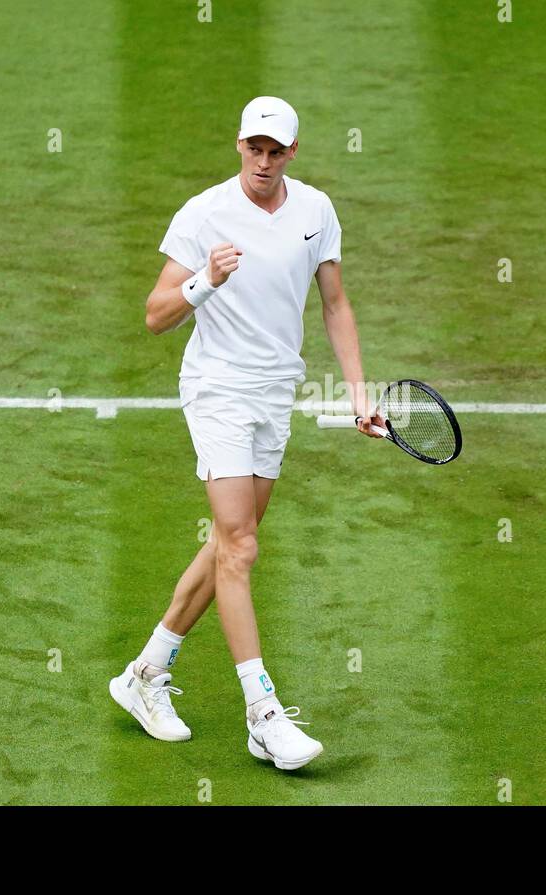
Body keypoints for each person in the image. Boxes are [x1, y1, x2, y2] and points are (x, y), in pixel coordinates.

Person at [109, 96, 383, 771]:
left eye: (276, 150)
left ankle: (146, 672)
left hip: (274, 393)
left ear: (293, 152)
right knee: (241, 546)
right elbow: (154, 316)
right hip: (218, 390)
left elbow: (336, 303)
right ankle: (262, 715)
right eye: (253, 148)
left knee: (233, 542)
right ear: (239, 145)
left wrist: (358, 391)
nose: (263, 160)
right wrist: (205, 279)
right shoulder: (204, 215)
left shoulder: (315, 212)